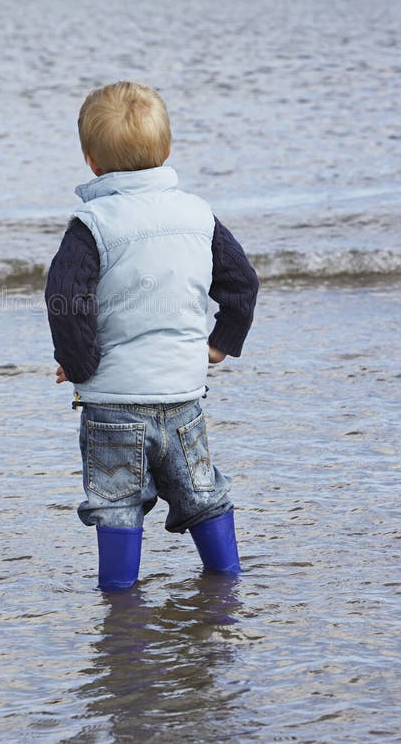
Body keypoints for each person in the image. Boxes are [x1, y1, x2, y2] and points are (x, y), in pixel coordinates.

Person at [44, 81, 259, 591]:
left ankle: (119, 600)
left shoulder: (92, 223)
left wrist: (78, 364)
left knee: (117, 503)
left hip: (114, 404)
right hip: (183, 395)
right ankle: (226, 578)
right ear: (166, 152)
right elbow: (242, 282)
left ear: (92, 162)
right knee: (201, 491)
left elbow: (66, 299)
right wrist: (219, 342)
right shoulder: (197, 214)